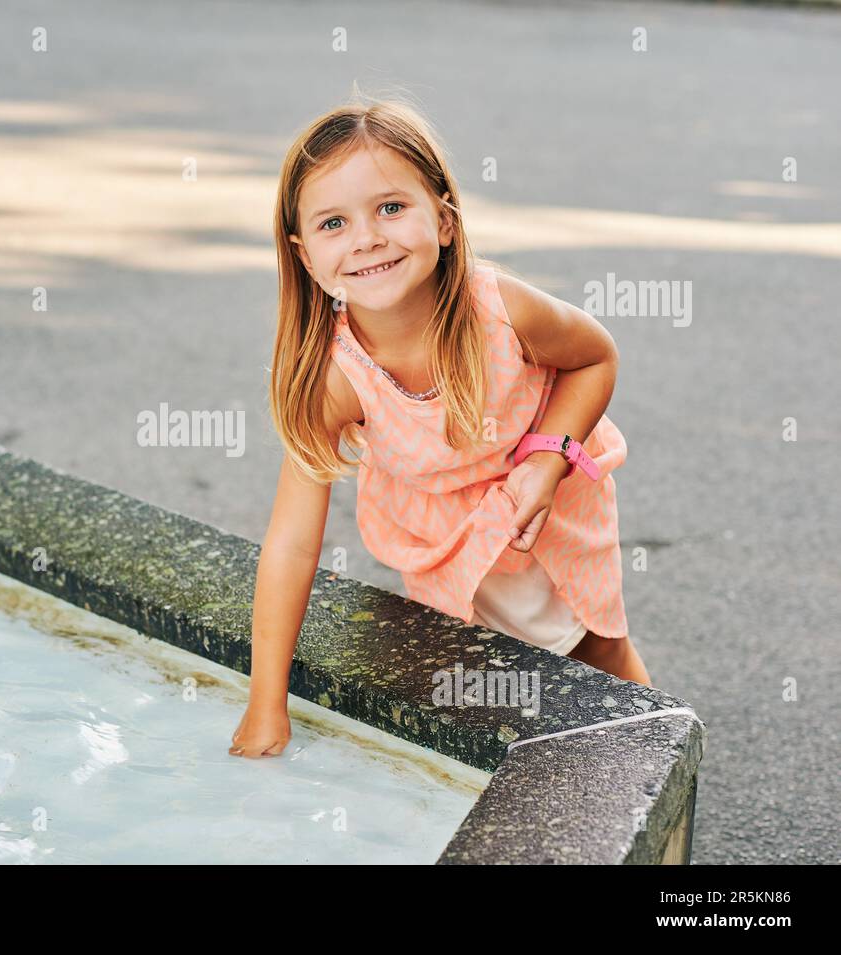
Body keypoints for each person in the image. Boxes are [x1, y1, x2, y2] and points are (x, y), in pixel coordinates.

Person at [230, 96, 651, 759]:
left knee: (598, 650)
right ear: (305, 255)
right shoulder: (335, 381)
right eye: (334, 222)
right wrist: (265, 703)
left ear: (445, 221)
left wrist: (548, 457)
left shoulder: (501, 310)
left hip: (547, 510)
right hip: (444, 544)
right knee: (482, 686)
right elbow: (290, 542)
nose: (367, 237)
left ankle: (655, 770)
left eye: (390, 208)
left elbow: (596, 357)